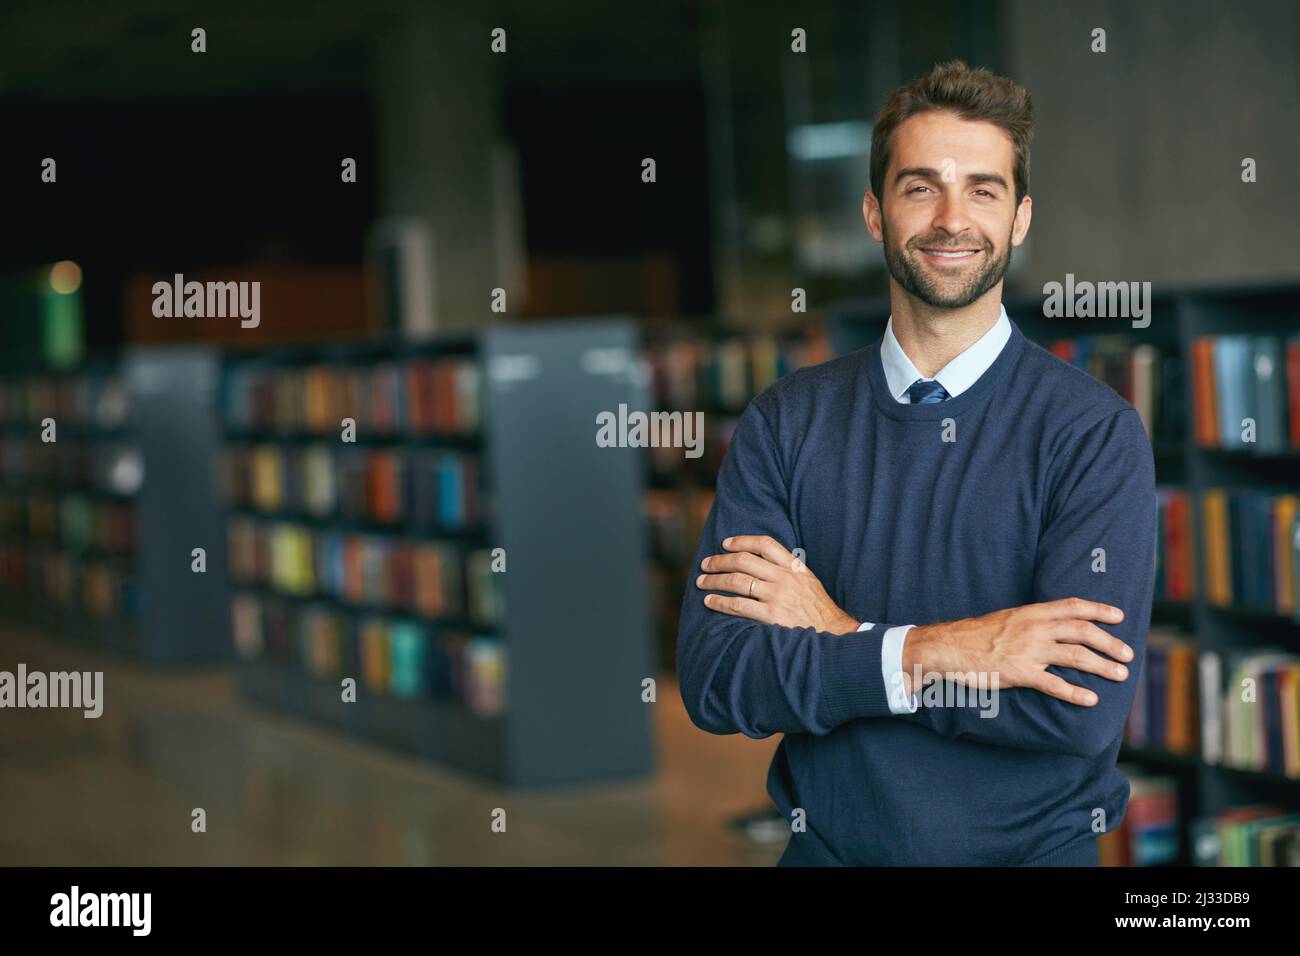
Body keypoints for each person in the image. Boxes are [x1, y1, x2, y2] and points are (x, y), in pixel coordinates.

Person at [676, 60, 1157, 866]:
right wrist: (934, 652)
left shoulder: (1092, 433)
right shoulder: (786, 422)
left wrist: (841, 636)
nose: (951, 218)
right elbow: (720, 678)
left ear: (1021, 218)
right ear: (874, 212)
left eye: (983, 189)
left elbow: (1078, 710)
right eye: (919, 186)